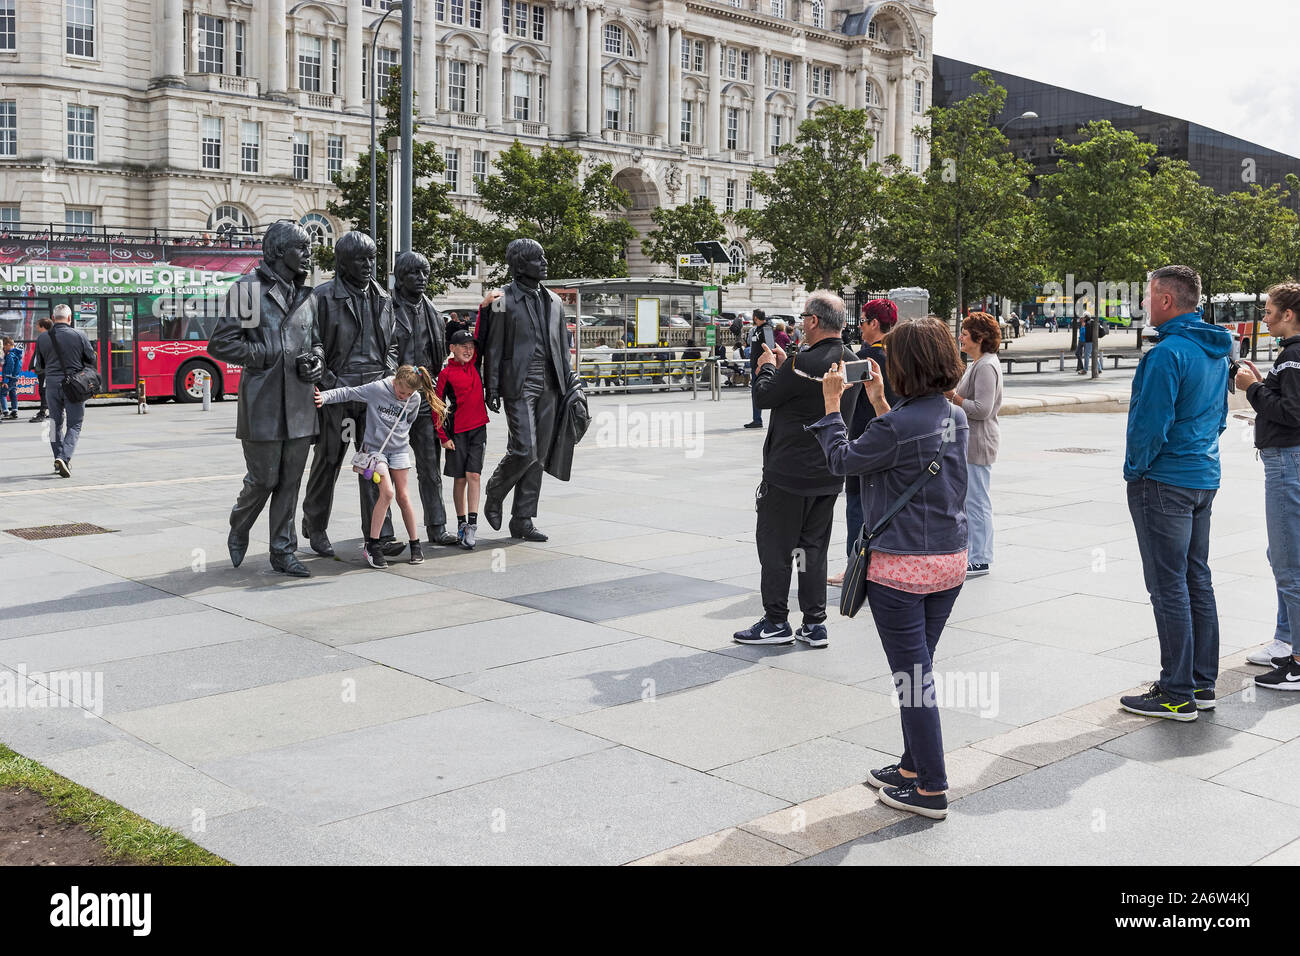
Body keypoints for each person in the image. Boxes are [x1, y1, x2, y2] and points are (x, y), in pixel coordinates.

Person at [811, 316, 969, 820]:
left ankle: (932, 789)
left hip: (902, 568)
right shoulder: (952, 415)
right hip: (949, 562)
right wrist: (879, 402)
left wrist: (833, 405)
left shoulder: (898, 425)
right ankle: (910, 767)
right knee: (920, 670)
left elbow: (843, 460)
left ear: (906, 367)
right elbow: (907, 444)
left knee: (913, 680)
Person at [1121, 265, 1231, 720]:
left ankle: (1175, 692)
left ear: (1167, 300)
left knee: (1168, 587)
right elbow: (1221, 417)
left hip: (1164, 480)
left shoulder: (1167, 354)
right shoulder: (1217, 351)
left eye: (1149, 296)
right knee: (1196, 578)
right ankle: (1201, 684)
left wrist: (1136, 470)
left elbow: (1151, 424)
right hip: (1202, 476)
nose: (1146, 304)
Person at [733, 291, 859, 649]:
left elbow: (766, 396)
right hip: (828, 474)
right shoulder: (850, 361)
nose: (802, 323)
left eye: (804, 317)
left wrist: (767, 367)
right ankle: (814, 623)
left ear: (815, 321)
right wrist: (785, 367)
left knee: (776, 549)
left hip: (789, 474)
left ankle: (775, 621)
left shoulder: (802, 362)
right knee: (812, 550)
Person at [208, 220, 324, 577]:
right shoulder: (249, 291)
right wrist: (265, 353)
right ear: (277, 251)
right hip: (264, 402)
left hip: (302, 404)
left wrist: (317, 361)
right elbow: (222, 342)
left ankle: (283, 551)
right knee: (263, 478)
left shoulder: (307, 295)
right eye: (301, 248)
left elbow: (316, 341)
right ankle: (240, 523)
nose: (308, 254)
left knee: (290, 481)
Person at [300, 231, 402, 559]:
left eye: (372, 257)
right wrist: (331, 383)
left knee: (375, 464)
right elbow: (310, 344)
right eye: (360, 259)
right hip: (338, 394)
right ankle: (315, 525)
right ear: (343, 262)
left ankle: (380, 534)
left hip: (374, 395)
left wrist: (387, 374)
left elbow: (393, 345)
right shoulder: (322, 298)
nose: (368, 264)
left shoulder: (384, 299)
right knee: (329, 461)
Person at [481, 238, 587, 542]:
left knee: (539, 454)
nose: (545, 263)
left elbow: (563, 348)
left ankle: (523, 519)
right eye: (538, 259)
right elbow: (494, 346)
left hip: (551, 382)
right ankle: (496, 490)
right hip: (519, 381)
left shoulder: (554, 301)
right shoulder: (503, 298)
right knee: (523, 449)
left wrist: (569, 384)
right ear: (520, 264)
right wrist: (492, 386)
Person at [1234, 281, 1300, 687]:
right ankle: (1285, 639)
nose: (1264, 316)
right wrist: (1264, 383)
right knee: (1284, 556)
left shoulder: (1293, 356)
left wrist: (1252, 389)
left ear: (1288, 315)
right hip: (1287, 461)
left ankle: (1296, 657)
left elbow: (1292, 413)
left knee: (1289, 561)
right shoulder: (1290, 357)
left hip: (1286, 463)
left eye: (1269, 310)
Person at [315, 365, 446, 568]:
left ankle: (415, 544)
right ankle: (373, 545)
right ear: (395, 382)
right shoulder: (378, 389)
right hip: (376, 450)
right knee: (387, 493)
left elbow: (408, 422)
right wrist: (324, 397)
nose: (404, 397)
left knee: (403, 496)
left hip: (399, 451)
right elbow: (349, 392)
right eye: (401, 392)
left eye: (408, 394)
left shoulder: (414, 399)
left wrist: (407, 401)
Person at [391, 251, 458, 547]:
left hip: (424, 397)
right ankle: (381, 531)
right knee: (382, 465)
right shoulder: (386, 307)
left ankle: (437, 524)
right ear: (401, 276)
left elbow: (438, 354)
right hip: (393, 398)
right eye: (415, 274)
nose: (421, 279)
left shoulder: (432, 311)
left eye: (425, 273)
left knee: (430, 465)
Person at [829, 298, 898, 587]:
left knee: (857, 505)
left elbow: (842, 392)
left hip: (864, 439)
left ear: (873, 323)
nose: (859, 324)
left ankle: (854, 567)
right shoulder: (898, 355)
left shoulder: (866, 359)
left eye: (863, 318)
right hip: (892, 438)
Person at [947, 311, 1004, 577]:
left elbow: (982, 409)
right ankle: (974, 553)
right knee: (971, 501)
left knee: (978, 501)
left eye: (965, 334)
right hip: (973, 441)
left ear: (979, 338)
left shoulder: (986, 366)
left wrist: (953, 397)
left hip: (979, 442)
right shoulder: (980, 363)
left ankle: (980, 558)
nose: (960, 337)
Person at [437, 330, 490, 549]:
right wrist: (442, 437)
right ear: (452, 348)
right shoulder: (446, 374)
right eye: (463, 346)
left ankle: (473, 525)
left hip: (479, 428)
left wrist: (485, 307)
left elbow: (482, 333)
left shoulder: (475, 364)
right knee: (460, 479)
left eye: (471, 347)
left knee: (474, 475)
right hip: (457, 432)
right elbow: (437, 406)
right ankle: (461, 524)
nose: (469, 350)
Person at [32, 304, 95, 478]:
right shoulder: (79, 335)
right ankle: (63, 457)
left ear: (53, 318)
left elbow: (40, 366)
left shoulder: (42, 338)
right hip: (74, 386)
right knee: (74, 424)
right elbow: (92, 359)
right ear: (69, 318)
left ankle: (58, 458)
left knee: (54, 424)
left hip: (51, 385)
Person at [743, 309, 775, 429]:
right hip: (756, 367)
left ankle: (759, 419)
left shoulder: (766, 329)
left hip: (762, 368)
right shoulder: (757, 330)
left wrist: (764, 365)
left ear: (755, 317)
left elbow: (771, 348)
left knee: (764, 393)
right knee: (756, 393)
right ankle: (756, 419)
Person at [28, 317, 52, 423]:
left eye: (37, 325)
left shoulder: (46, 337)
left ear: (42, 326)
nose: (36, 327)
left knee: (44, 391)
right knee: (45, 390)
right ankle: (49, 411)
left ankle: (43, 412)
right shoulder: (45, 337)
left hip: (45, 370)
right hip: (43, 369)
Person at [1, 336, 20, 419]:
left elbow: (9, 368)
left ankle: (5, 411)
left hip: (9, 378)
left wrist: (5, 380)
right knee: (13, 393)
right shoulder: (17, 354)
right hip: (15, 377)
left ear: (8, 345)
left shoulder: (10, 355)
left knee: (2, 394)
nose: (3, 348)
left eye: (4, 346)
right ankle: (14, 410)